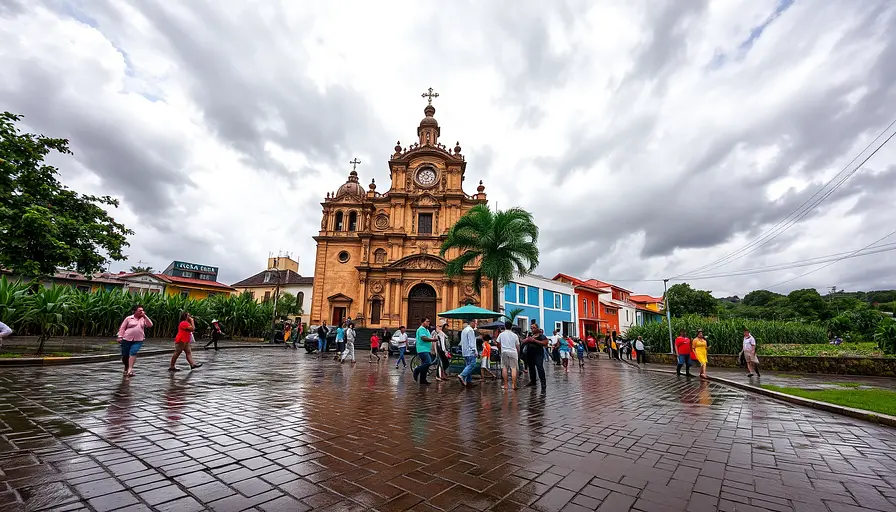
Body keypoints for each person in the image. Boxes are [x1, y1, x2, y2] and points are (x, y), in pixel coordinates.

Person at [117, 305, 153, 377]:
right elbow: (122, 328)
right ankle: (126, 367)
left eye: (142, 310)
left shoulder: (143, 319)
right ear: (135, 311)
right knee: (125, 356)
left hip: (138, 339)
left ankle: (130, 369)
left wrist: (145, 316)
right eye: (140, 311)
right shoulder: (129, 318)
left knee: (133, 352)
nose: (141, 312)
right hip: (126, 339)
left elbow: (150, 325)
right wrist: (120, 337)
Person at [497, 321, 520, 390]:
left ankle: (506, 385)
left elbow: (498, 343)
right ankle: (514, 385)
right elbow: (517, 346)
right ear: (511, 327)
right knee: (513, 368)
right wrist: (518, 353)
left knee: (504, 368)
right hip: (513, 352)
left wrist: (500, 348)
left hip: (504, 352)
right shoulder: (515, 335)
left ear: (505, 326)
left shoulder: (501, 334)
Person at [412, 318, 435, 385]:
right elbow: (423, 338)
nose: (428, 323)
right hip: (422, 349)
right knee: (428, 362)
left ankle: (423, 380)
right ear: (423, 322)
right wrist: (433, 340)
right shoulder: (421, 329)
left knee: (425, 366)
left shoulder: (427, 330)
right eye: (427, 321)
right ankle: (417, 370)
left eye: (429, 321)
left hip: (427, 349)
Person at [458, 319, 479, 387]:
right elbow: (471, 341)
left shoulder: (464, 330)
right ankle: (462, 375)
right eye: (475, 323)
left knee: (468, 366)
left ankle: (468, 382)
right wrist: (475, 350)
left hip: (465, 351)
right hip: (470, 351)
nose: (475, 325)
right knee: (472, 365)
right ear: (472, 323)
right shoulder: (470, 330)